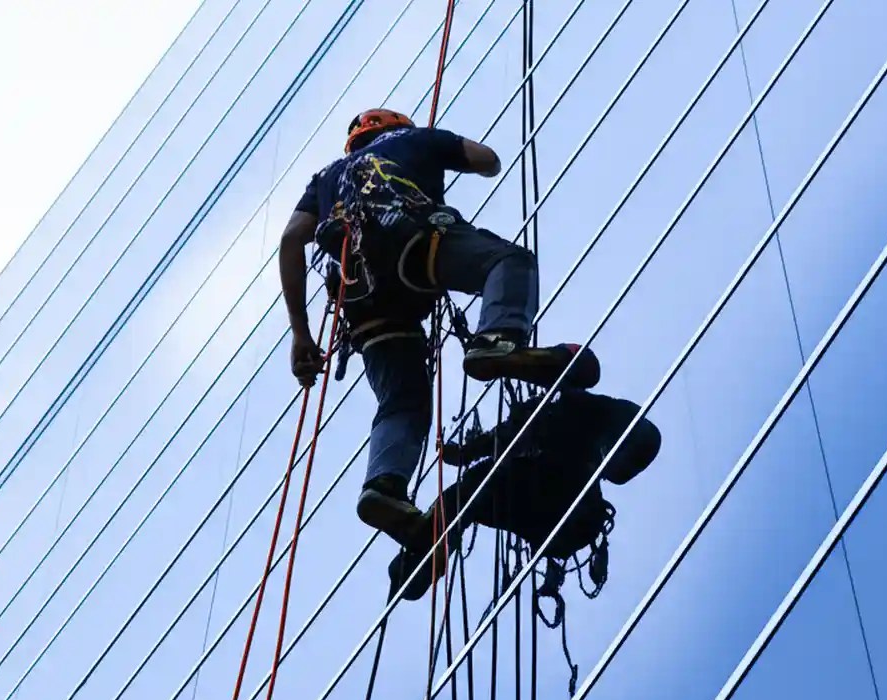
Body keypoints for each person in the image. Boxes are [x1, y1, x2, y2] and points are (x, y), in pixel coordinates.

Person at [278, 108, 595, 546]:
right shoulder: (416, 139)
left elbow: (292, 238)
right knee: (508, 262)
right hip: (412, 240)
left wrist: (301, 333)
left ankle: (384, 487)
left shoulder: (325, 178)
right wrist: (435, 150)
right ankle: (496, 340)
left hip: (363, 295)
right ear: (396, 129)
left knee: (402, 402)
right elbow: (488, 160)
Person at [387, 387, 661, 601]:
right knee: (478, 488)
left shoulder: (576, 413)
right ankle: (429, 547)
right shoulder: (576, 415)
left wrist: (469, 451)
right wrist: (468, 452)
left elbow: (521, 430)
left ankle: (429, 544)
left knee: (479, 486)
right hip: (555, 514)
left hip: (557, 509)